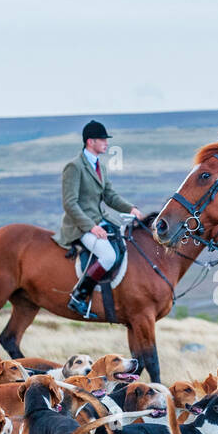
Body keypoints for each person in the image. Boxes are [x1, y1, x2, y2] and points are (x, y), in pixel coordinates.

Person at [56, 120, 144, 319]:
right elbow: (70, 203)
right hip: (80, 225)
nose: (106, 143)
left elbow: (110, 196)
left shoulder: (99, 167)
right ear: (90, 142)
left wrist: (131, 208)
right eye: (102, 139)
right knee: (108, 256)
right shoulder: (74, 167)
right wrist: (91, 227)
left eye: (106, 139)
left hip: (99, 220)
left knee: (124, 241)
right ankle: (79, 296)